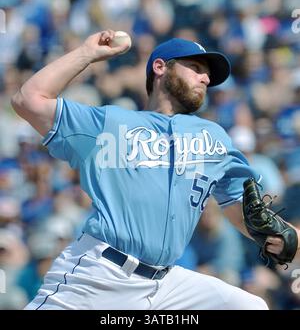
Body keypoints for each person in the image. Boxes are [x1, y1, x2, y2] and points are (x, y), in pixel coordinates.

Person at [11, 29, 299, 310]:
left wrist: (286, 236)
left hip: (165, 285)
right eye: (196, 67)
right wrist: (87, 53)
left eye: (207, 74)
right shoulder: (108, 124)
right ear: (160, 67)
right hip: (100, 275)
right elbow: (28, 100)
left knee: (248, 306)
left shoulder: (215, 138)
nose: (206, 78)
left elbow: (246, 210)